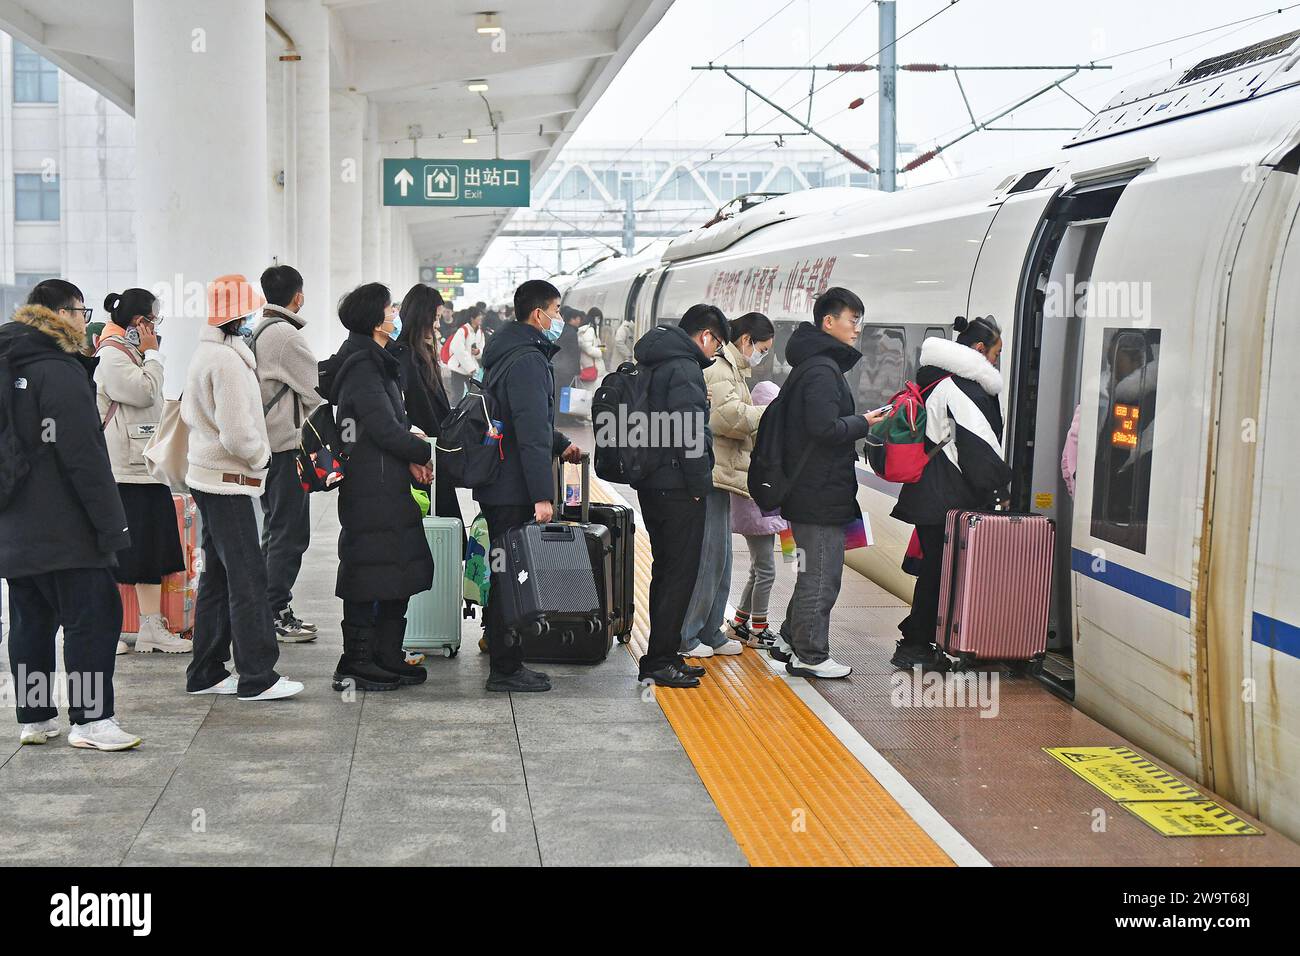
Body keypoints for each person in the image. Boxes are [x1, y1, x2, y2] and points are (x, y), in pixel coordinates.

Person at [0, 279, 143, 750]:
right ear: (63, 313)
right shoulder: (56, 371)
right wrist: (112, 525)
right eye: (83, 311)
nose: (88, 320)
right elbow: (84, 457)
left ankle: (36, 717)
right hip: (66, 527)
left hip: (16, 524)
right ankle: (91, 720)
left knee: (30, 621)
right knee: (93, 617)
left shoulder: (9, 361)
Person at [182, 274, 303, 702]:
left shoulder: (209, 353)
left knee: (217, 576)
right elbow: (237, 433)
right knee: (249, 579)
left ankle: (206, 670)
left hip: (208, 479)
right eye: (249, 311)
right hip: (229, 482)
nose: (254, 317)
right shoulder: (229, 364)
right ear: (238, 315)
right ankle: (258, 676)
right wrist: (262, 459)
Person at [319, 283, 435, 692]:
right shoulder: (364, 368)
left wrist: (410, 455)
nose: (396, 313)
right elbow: (385, 428)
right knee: (369, 572)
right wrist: (423, 452)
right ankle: (356, 662)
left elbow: (389, 425)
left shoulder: (374, 360)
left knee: (395, 569)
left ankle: (386, 653)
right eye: (390, 308)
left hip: (385, 482)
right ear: (375, 319)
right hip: (371, 487)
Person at [769, 288, 887, 679]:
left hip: (813, 491)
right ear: (828, 322)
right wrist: (864, 423)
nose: (857, 329)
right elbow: (822, 428)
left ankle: (790, 637)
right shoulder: (822, 370)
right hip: (817, 494)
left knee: (812, 572)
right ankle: (810, 655)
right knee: (821, 576)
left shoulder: (814, 365)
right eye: (853, 320)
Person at [474, 279, 583, 693]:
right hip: (513, 487)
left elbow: (526, 422)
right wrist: (542, 495)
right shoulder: (527, 360)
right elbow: (531, 431)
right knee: (511, 575)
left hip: (500, 481)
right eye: (555, 311)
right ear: (538, 314)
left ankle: (501, 650)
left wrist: (562, 443)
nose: (558, 319)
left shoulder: (508, 351)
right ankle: (505, 667)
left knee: (504, 570)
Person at [889, 315, 1012, 670]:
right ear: (977, 349)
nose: (995, 361)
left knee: (936, 570)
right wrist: (998, 492)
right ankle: (915, 645)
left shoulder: (939, 381)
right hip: (947, 498)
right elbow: (980, 451)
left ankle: (926, 641)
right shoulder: (961, 388)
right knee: (939, 572)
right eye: (995, 353)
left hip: (932, 495)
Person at [630, 305, 727, 688]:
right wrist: (700, 486)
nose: (715, 351)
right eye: (717, 343)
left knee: (667, 570)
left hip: (653, 481)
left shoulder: (654, 361)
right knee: (678, 573)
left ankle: (663, 654)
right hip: (678, 487)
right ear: (705, 336)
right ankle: (660, 660)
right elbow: (690, 435)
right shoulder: (685, 368)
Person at [94, 287, 190, 655]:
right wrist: (153, 354)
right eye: (152, 319)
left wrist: (148, 354)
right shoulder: (112, 357)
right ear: (139, 321)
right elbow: (146, 393)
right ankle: (110, 628)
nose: (154, 325)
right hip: (125, 472)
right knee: (123, 555)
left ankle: (151, 628)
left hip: (146, 467)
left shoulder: (129, 353)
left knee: (152, 551)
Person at [679, 310, 774, 658]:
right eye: (761, 348)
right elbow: (726, 418)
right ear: (745, 339)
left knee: (720, 558)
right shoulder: (720, 369)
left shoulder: (734, 370)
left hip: (723, 475)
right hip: (713, 474)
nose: (761, 356)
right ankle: (688, 636)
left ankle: (710, 631)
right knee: (710, 557)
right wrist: (771, 412)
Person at [254, 264, 325, 642]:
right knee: (290, 533)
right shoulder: (284, 335)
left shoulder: (260, 327)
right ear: (297, 296)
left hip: (267, 446)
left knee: (276, 528)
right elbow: (315, 391)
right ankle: (275, 611)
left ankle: (269, 607)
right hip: (284, 449)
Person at [394, 283, 461, 528]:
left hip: (432, 452)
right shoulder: (406, 357)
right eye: (435, 318)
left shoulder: (420, 353)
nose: (437, 325)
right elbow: (417, 409)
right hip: (421, 455)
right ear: (422, 316)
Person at [729, 379, 787, 644]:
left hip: (756, 511)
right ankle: (758, 629)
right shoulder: (763, 438)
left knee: (757, 569)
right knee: (766, 570)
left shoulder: (752, 433)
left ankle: (739, 622)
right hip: (758, 511)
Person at [446, 306, 485, 403]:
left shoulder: (480, 332)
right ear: (472, 318)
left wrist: (478, 352)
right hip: (458, 368)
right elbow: (458, 350)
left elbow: (482, 348)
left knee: (474, 394)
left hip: (471, 370)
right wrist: (470, 367)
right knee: (458, 394)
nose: (481, 318)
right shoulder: (463, 330)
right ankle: (454, 414)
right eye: (479, 316)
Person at [574, 309, 606, 414]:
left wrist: (600, 347)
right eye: (598, 318)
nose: (599, 320)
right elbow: (587, 347)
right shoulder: (590, 330)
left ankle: (585, 414)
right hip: (592, 366)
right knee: (592, 393)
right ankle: (588, 414)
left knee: (588, 393)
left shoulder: (585, 329)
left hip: (588, 365)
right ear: (595, 317)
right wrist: (599, 351)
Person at [551, 306, 582, 413]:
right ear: (572, 319)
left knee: (560, 393)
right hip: (568, 369)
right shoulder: (572, 333)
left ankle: (559, 416)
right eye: (578, 318)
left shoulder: (562, 329)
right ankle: (566, 416)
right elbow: (574, 353)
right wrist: (577, 371)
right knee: (567, 393)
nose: (579, 321)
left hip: (559, 366)